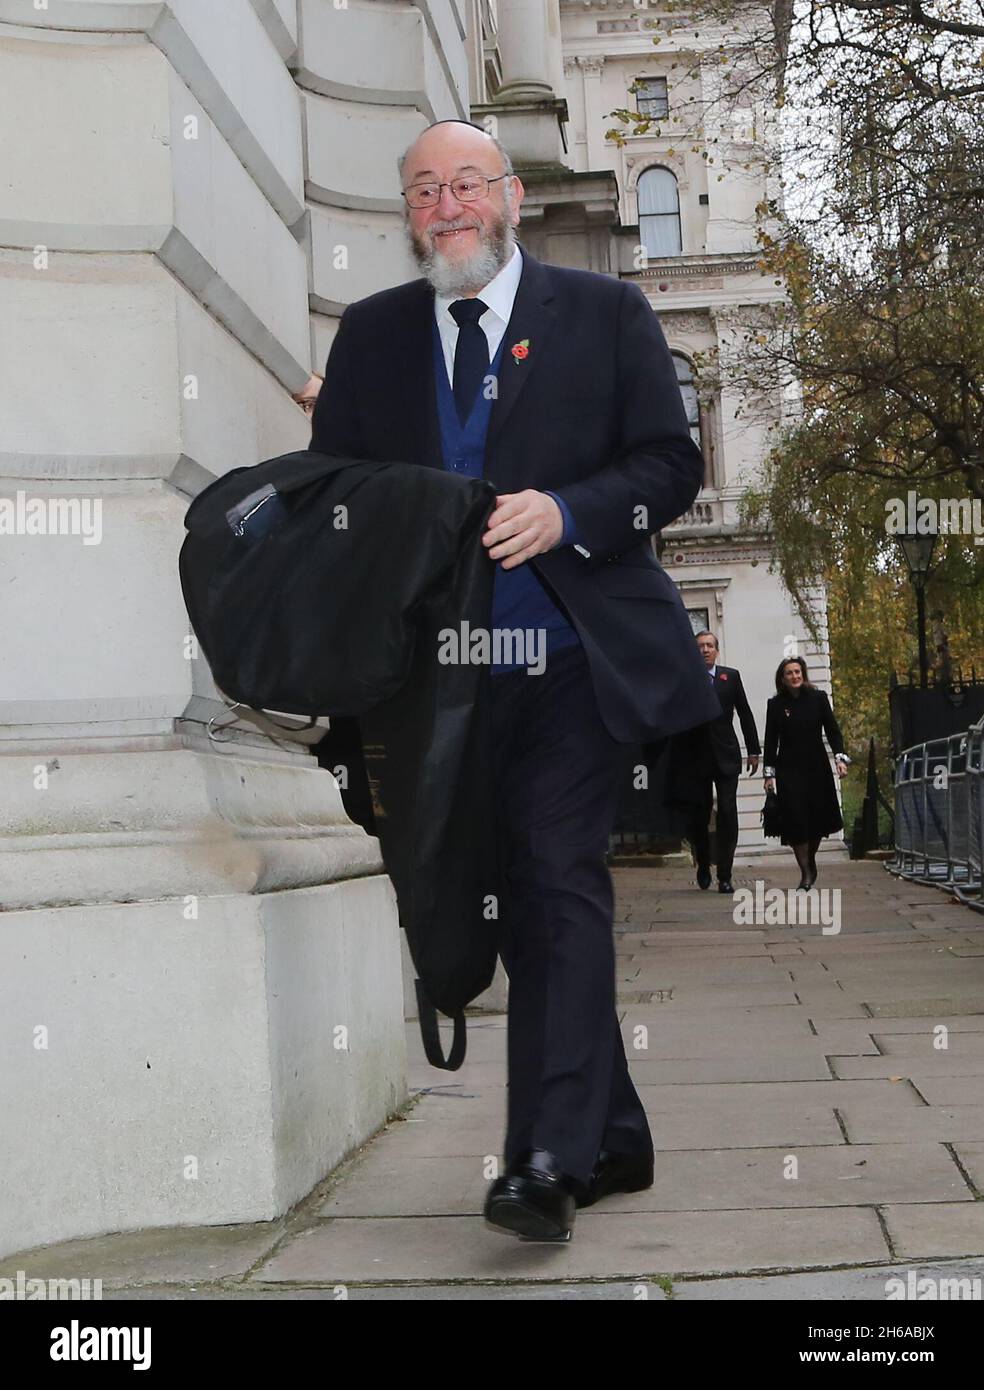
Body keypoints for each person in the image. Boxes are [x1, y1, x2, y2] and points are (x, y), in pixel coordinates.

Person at [309, 117, 719, 1242]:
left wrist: (569, 511)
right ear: (408, 215)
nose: (447, 205)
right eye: (425, 189)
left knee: (556, 876)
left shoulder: (606, 314)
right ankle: (614, 1131)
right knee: (499, 899)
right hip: (435, 685)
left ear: (513, 199)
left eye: (467, 183)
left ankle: (542, 1158)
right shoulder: (373, 336)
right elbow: (337, 496)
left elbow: (670, 464)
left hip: (570, 660)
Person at [669, 630, 760, 894]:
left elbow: (745, 713)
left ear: (716, 650)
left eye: (709, 646)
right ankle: (703, 864)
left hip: (726, 756)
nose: (705, 650)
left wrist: (753, 750)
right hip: (695, 757)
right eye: (700, 646)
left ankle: (725, 874)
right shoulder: (686, 679)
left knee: (728, 813)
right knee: (700, 814)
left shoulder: (730, 677)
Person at [763, 657, 850, 889]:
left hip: (816, 766)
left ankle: (810, 858)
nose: (795, 676)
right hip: (788, 769)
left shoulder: (818, 699)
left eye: (798, 672)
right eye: (790, 673)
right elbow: (771, 742)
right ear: (782, 678)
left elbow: (833, 731)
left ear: (804, 674)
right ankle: (805, 873)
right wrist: (768, 775)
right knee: (796, 820)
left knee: (817, 819)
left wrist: (840, 759)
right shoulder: (775, 705)